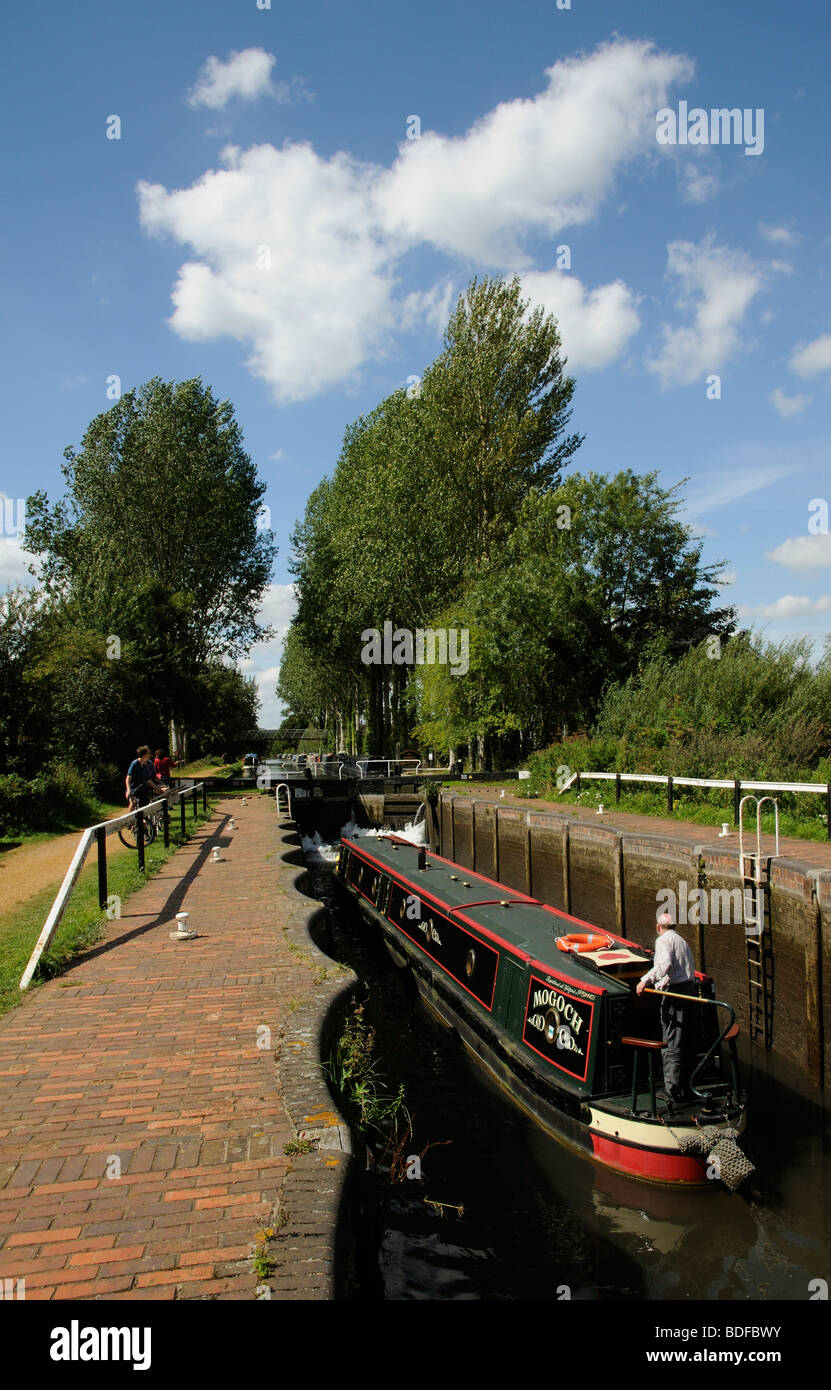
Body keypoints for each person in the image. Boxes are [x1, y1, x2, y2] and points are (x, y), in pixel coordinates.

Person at [636, 910, 697, 1106]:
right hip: (690, 992)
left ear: (658, 927)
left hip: (675, 995)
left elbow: (664, 965)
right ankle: (687, 1086)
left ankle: (672, 1091)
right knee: (686, 1039)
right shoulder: (682, 942)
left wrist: (644, 981)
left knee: (671, 1041)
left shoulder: (663, 941)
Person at [125, 745, 163, 810]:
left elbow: (148, 780)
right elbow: (128, 778)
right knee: (133, 803)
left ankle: (142, 819)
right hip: (133, 790)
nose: (149, 756)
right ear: (144, 755)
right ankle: (130, 819)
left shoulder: (144, 766)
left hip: (142, 790)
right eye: (147, 754)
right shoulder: (135, 764)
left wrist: (158, 788)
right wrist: (128, 790)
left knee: (144, 805)